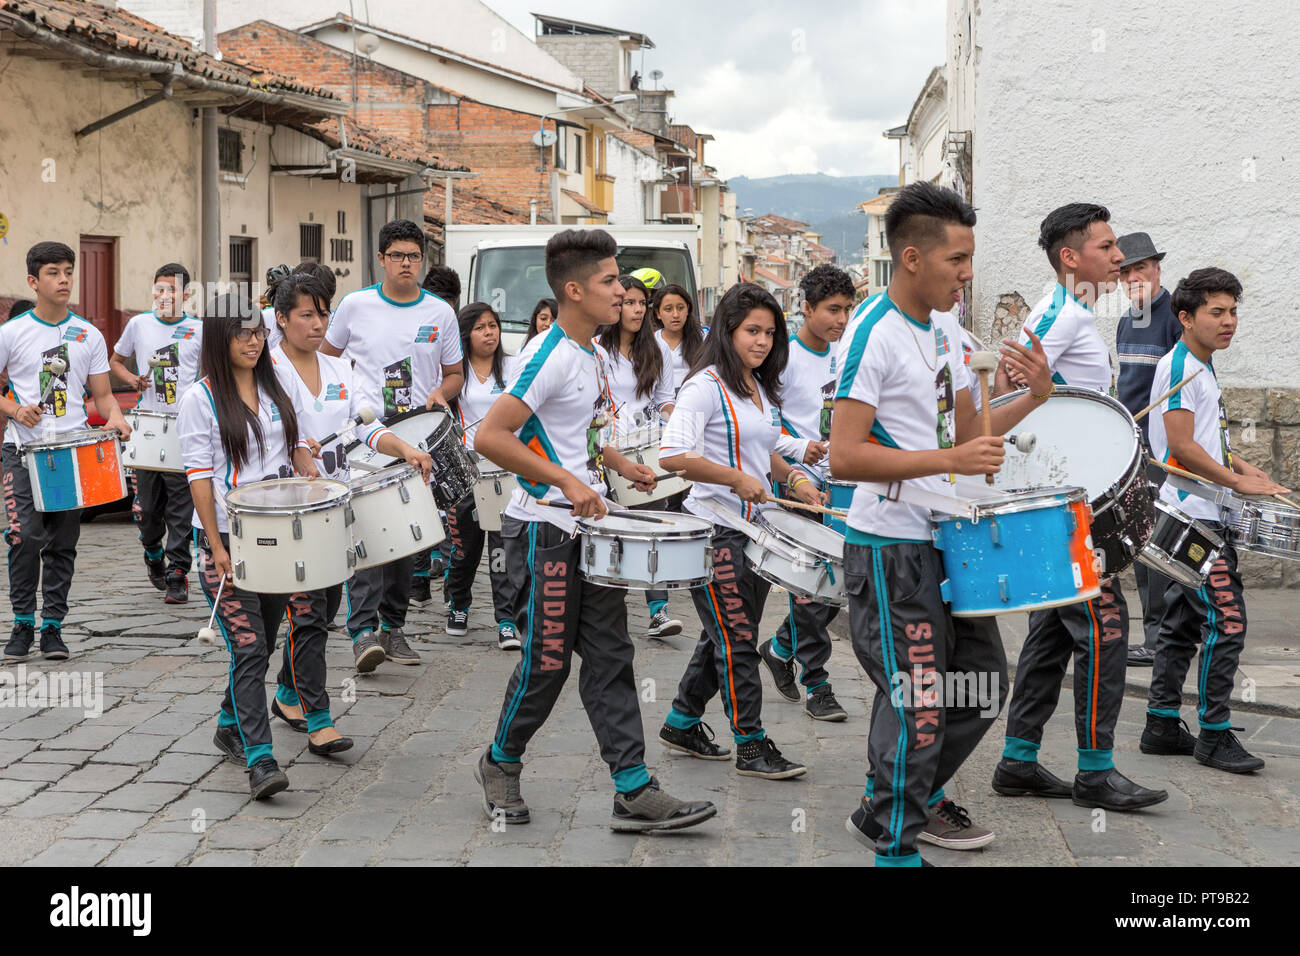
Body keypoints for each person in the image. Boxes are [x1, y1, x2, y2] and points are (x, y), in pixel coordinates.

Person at [831, 182, 1053, 865]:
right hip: (889, 548)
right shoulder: (872, 334)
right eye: (957, 259)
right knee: (920, 702)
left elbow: (967, 428)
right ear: (911, 257)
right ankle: (896, 845)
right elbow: (844, 454)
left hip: (945, 541)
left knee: (983, 685)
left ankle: (889, 799)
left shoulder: (948, 329)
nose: (967, 273)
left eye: (970, 257)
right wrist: (950, 458)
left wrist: (1035, 397)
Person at [473, 228, 716, 832]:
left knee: (611, 656)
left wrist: (610, 463)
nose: (623, 291)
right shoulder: (547, 354)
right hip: (546, 531)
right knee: (548, 660)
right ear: (575, 290)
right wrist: (566, 481)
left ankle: (632, 788)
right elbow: (492, 436)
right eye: (610, 281)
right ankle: (500, 761)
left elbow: (571, 431)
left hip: (590, 528)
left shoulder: (594, 352)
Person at [994, 202, 1168, 811]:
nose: (1121, 258)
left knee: (1051, 631)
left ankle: (1018, 760)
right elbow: (1003, 396)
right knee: (1104, 630)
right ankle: (1096, 771)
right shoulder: (1058, 314)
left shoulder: (1070, 312)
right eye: (1108, 246)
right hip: (1063, 503)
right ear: (1072, 258)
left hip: (1070, 495)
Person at [655, 282, 810, 780]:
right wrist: (735, 480)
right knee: (738, 638)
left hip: (755, 530)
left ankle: (681, 721)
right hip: (715, 532)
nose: (762, 341)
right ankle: (751, 743)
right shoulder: (705, 386)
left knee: (721, 633)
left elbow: (761, 450)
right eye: (751, 331)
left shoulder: (757, 387)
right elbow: (673, 455)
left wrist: (797, 476)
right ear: (727, 330)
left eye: (769, 332)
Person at [179, 294, 333, 798]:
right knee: (247, 646)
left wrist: (303, 454)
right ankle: (261, 760)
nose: (253, 341)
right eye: (241, 332)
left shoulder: (276, 383)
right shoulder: (199, 399)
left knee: (262, 643)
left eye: (259, 332)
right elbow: (199, 477)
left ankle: (230, 723)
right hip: (227, 541)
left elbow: (296, 439)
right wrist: (216, 544)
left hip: (277, 538)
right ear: (219, 338)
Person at [1143, 268, 1288, 773]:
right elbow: (1179, 448)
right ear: (1185, 317)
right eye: (1217, 312)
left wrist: (1248, 470)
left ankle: (1160, 723)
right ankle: (1214, 733)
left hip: (1203, 512)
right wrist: (1235, 483)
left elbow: (1206, 443)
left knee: (1183, 623)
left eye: (1233, 312)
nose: (1230, 322)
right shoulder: (1181, 366)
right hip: (1193, 521)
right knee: (1228, 621)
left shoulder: (1202, 365)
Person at [269, 270, 432, 690]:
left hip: (335, 507)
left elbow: (367, 428)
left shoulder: (341, 368)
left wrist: (406, 449)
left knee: (322, 612)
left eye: (324, 314)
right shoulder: (267, 369)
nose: (319, 324)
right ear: (281, 318)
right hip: (287, 511)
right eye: (306, 315)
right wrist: (294, 447)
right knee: (299, 614)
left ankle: (289, 695)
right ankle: (309, 709)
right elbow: (266, 430)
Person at [322, 219, 463, 669]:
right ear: (381, 259)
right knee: (365, 533)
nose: (406, 263)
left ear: (423, 261)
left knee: (407, 537)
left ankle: (394, 627)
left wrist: (443, 393)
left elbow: (454, 373)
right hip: (362, 437)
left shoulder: (439, 312)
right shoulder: (354, 305)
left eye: (414, 256)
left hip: (416, 439)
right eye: (398, 256)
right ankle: (363, 632)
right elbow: (326, 362)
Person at [1, 242, 132, 663]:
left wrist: (116, 418)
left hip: (70, 454)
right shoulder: (12, 332)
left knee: (62, 541)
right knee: (24, 536)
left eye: (68, 272)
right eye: (54, 273)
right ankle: (22, 622)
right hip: (22, 451)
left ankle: (53, 627)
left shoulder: (89, 334)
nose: (63, 280)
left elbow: (103, 396)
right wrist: (16, 409)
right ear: (33, 281)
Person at [758, 263, 856, 721]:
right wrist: (800, 454)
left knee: (831, 583)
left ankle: (779, 648)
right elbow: (761, 426)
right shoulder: (780, 358)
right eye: (832, 310)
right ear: (806, 308)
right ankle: (817, 683)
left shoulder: (849, 351)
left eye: (847, 309)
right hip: (796, 483)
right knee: (811, 584)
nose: (841, 319)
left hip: (842, 482)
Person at [109, 263, 204, 604]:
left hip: (183, 428)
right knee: (147, 510)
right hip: (147, 427)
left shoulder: (198, 329)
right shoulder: (139, 324)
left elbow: (209, 375)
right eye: (160, 289)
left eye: (173, 290)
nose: (165, 296)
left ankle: (178, 573)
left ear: (187, 295)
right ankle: (152, 550)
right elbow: (115, 362)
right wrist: (132, 379)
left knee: (182, 506)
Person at [595, 274, 682, 639]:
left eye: (641, 303)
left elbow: (662, 397)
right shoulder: (597, 349)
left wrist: (676, 419)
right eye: (628, 302)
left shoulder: (656, 349)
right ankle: (606, 613)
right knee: (610, 528)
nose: (635, 309)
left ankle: (658, 610)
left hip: (646, 447)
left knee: (652, 524)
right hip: (608, 450)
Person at [1115, 232, 1183, 667]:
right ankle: (1160, 635)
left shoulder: (1176, 318)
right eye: (1125, 271)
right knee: (1141, 545)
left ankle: (1161, 639)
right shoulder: (1127, 319)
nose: (1134, 276)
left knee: (1157, 545)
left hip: (1162, 451)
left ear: (1158, 269)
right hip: (1133, 447)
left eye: (1142, 268)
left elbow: (1182, 385)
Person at [444, 302, 524, 649]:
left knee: (502, 547)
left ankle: (506, 620)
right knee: (465, 548)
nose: (489, 332)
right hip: (466, 472)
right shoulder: (455, 373)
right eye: (480, 327)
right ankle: (458, 604)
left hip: (505, 470)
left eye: (492, 325)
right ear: (466, 335)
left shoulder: (513, 366)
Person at [411, 264, 462, 603]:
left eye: (450, 303)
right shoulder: (414, 321)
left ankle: (447, 573)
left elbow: (456, 374)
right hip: (411, 427)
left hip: (446, 427)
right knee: (419, 504)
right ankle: (418, 581)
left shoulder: (454, 326)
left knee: (449, 501)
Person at [651, 284, 703, 393]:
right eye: (668, 309)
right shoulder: (651, 342)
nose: (675, 314)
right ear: (657, 313)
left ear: (688, 309)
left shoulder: (702, 339)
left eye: (680, 308)